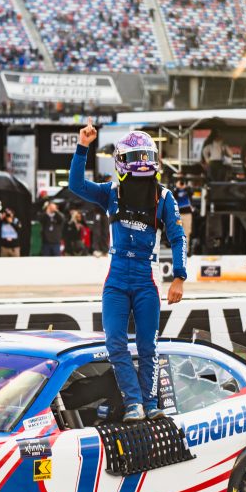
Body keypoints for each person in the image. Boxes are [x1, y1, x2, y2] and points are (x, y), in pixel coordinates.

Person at [69, 119, 188, 422]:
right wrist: (83, 146)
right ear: (121, 162)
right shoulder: (110, 192)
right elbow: (76, 186)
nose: (142, 163)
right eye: (136, 157)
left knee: (148, 345)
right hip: (117, 278)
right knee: (115, 343)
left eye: (146, 156)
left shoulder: (163, 196)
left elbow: (178, 237)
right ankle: (134, 402)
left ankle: (148, 403)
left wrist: (179, 277)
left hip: (147, 279)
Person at [173, 178, 194, 245]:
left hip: (187, 214)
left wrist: (186, 187)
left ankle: (186, 250)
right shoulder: (176, 190)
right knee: (177, 232)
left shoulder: (187, 190)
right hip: (178, 215)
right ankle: (179, 249)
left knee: (187, 232)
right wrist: (176, 188)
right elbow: (172, 196)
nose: (181, 184)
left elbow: (191, 193)